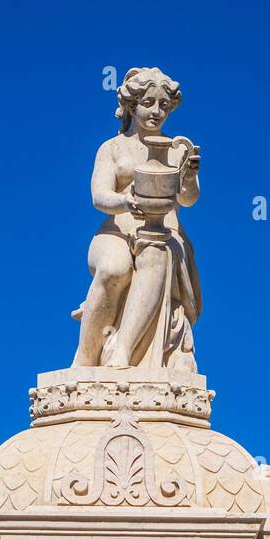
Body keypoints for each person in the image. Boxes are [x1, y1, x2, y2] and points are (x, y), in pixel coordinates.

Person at [72, 66, 202, 370]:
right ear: (132, 105)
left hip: (162, 233)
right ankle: (86, 356)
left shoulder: (175, 149)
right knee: (114, 269)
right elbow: (98, 196)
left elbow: (187, 199)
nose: (157, 112)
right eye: (148, 103)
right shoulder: (112, 148)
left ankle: (123, 352)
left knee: (156, 255)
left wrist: (191, 176)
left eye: (164, 105)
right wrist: (125, 202)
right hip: (116, 230)